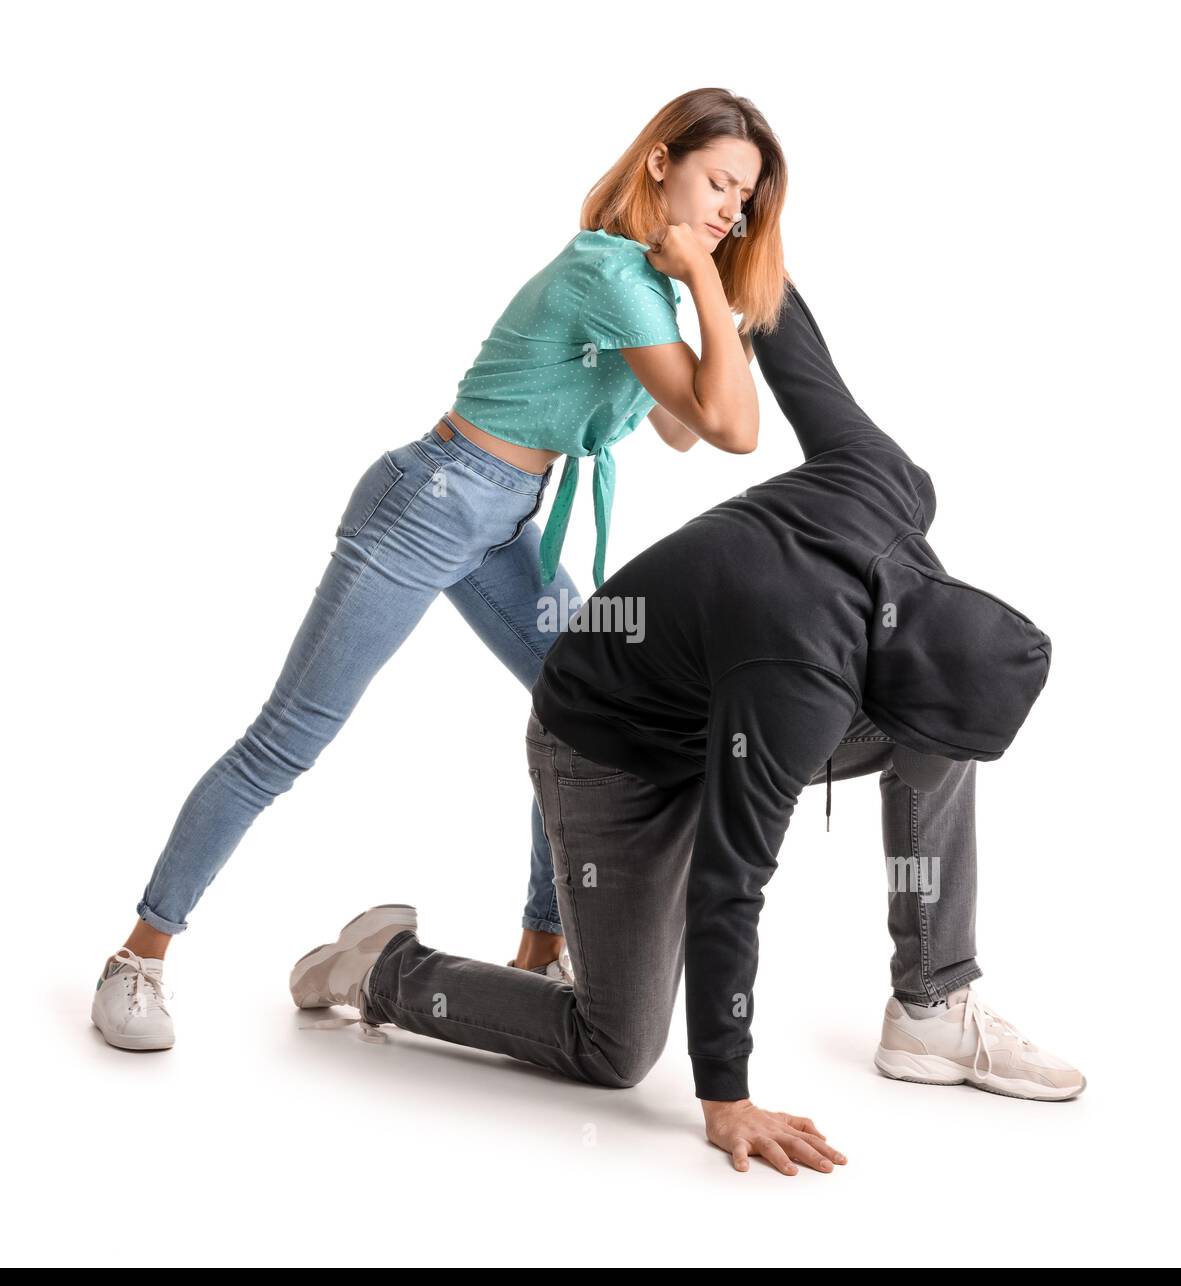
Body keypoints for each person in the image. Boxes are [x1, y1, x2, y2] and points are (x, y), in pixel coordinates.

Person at [288, 278, 1084, 1175]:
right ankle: (383, 969)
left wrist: (752, 269)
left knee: (938, 747)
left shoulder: (887, 485)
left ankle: (930, 1006)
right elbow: (729, 888)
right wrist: (725, 1095)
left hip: (722, 690)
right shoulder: (800, 684)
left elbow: (796, 357)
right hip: (606, 750)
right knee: (615, 1049)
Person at [92, 87, 789, 1051]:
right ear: (660, 162)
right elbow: (733, 428)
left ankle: (542, 949)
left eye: (744, 202)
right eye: (720, 183)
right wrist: (709, 288)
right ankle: (139, 955)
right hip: (433, 502)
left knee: (587, 708)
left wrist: (704, 284)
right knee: (289, 736)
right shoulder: (609, 272)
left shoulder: (649, 286)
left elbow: (681, 429)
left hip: (509, 525)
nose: (728, 211)